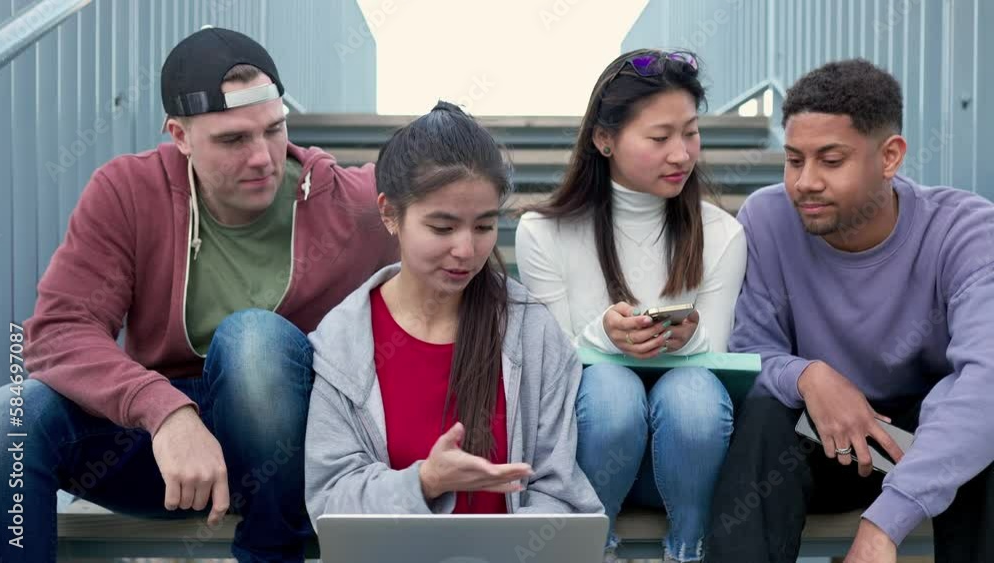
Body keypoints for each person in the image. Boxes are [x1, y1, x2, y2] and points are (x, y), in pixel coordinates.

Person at [0, 27, 396, 563]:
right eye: (232, 140)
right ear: (179, 135)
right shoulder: (127, 192)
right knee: (9, 418)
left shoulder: (356, 205)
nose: (262, 158)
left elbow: (454, 232)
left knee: (253, 340)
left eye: (274, 130)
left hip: (288, 451)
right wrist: (165, 412)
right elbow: (57, 333)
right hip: (161, 457)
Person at [707, 59, 994, 563]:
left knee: (978, 428)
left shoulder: (964, 229)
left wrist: (885, 523)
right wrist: (809, 376)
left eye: (830, 160)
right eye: (794, 160)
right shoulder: (768, 218)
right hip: (821, 445)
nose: (805, 183)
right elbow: (750, 351)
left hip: (924, 447)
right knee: (767, 412)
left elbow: (986, 379)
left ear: (890, 156)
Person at [304, 102, 603, 523]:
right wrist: (425, 482)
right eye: (442, 228)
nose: (466, 251)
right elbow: (331, 499)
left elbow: (560, 490)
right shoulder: (344, 339)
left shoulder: (530, 330)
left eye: (483, 226)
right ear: (389, 213)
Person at [514, 49, 746, 562]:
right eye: (660, 138)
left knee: (693, 394)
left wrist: (691, 337)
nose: (682, 154)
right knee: (610, 388)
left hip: (691, 456)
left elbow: (719, 356)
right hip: (587, 452)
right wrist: (602, 334)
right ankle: (595, 548)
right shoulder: (544, 232)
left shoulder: (723, 233)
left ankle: (690, 549)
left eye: (690, 132)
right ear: (604, 139)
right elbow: (548, 371)